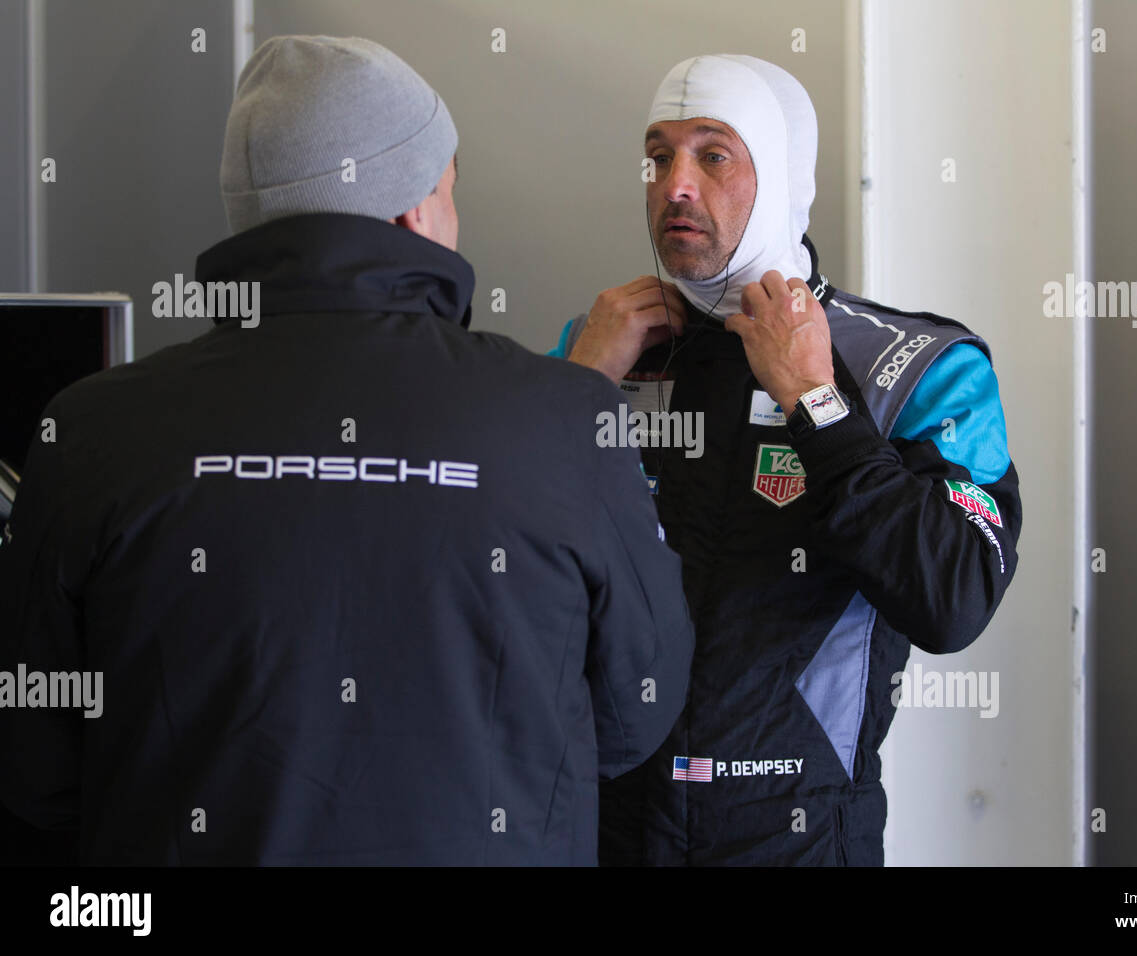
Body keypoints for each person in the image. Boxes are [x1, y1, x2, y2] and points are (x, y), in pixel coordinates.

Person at [0, 35, 693, 865]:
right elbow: (635, 717)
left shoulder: (86, 430)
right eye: (450, 190)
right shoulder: (568, 418)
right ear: (413, 212)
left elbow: (34, 770)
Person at [551, 54, 1021, 865]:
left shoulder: (917, 367)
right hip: (603, 828)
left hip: (796, 836)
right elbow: (492, 584)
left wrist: (817, 403)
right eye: (658, 157)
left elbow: (954, 597)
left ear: (779, 175)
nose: (675, 186)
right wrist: (567, 395)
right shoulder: (597, 352)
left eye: (713, 154)